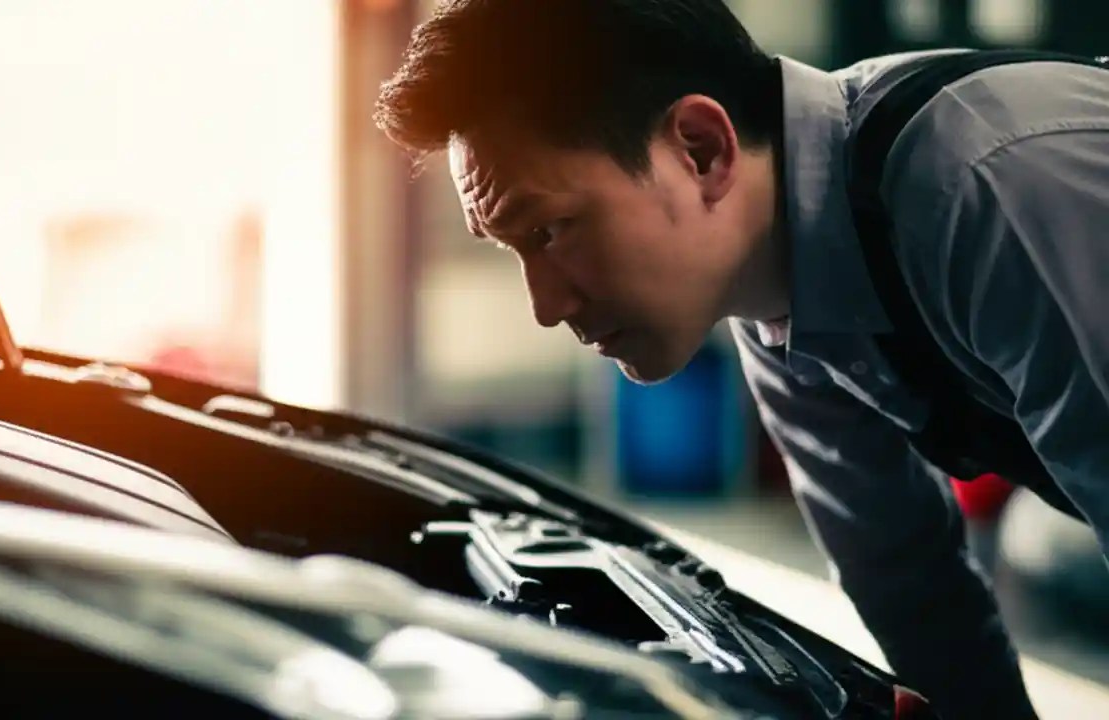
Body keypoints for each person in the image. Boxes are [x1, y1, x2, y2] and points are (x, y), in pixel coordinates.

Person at [372, 1, 1109, 718]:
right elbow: (908, 585)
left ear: (700, 147)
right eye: (513, 250)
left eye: (552, 230)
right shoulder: (779, 303)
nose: (544, 305)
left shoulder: (985, 184)